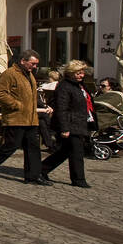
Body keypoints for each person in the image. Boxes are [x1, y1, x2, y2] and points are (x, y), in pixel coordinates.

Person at [0, 48, 51, 184]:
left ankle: (33, 176)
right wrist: (17, 105)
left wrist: (42, 107)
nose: (35, 67)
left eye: (36, 64)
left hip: (31, 119)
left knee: (33, 148)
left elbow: (33, 95)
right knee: (11, 146)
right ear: (23, 61)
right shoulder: (9, 74)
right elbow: (1, 94)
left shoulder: (30, 75)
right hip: (16, 118)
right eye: (33, 64)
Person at [42, 60, 95, 188]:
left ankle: (42, 169)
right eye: (78, 73)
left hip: (79, 122)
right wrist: (64, 128)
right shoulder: (64, 86)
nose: (81, 75)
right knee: (77, 152)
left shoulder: (79, 85)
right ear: (70, 73)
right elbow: (61, 108)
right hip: (70, 124)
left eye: (82, 73)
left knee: (65, 151)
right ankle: (78, 179)